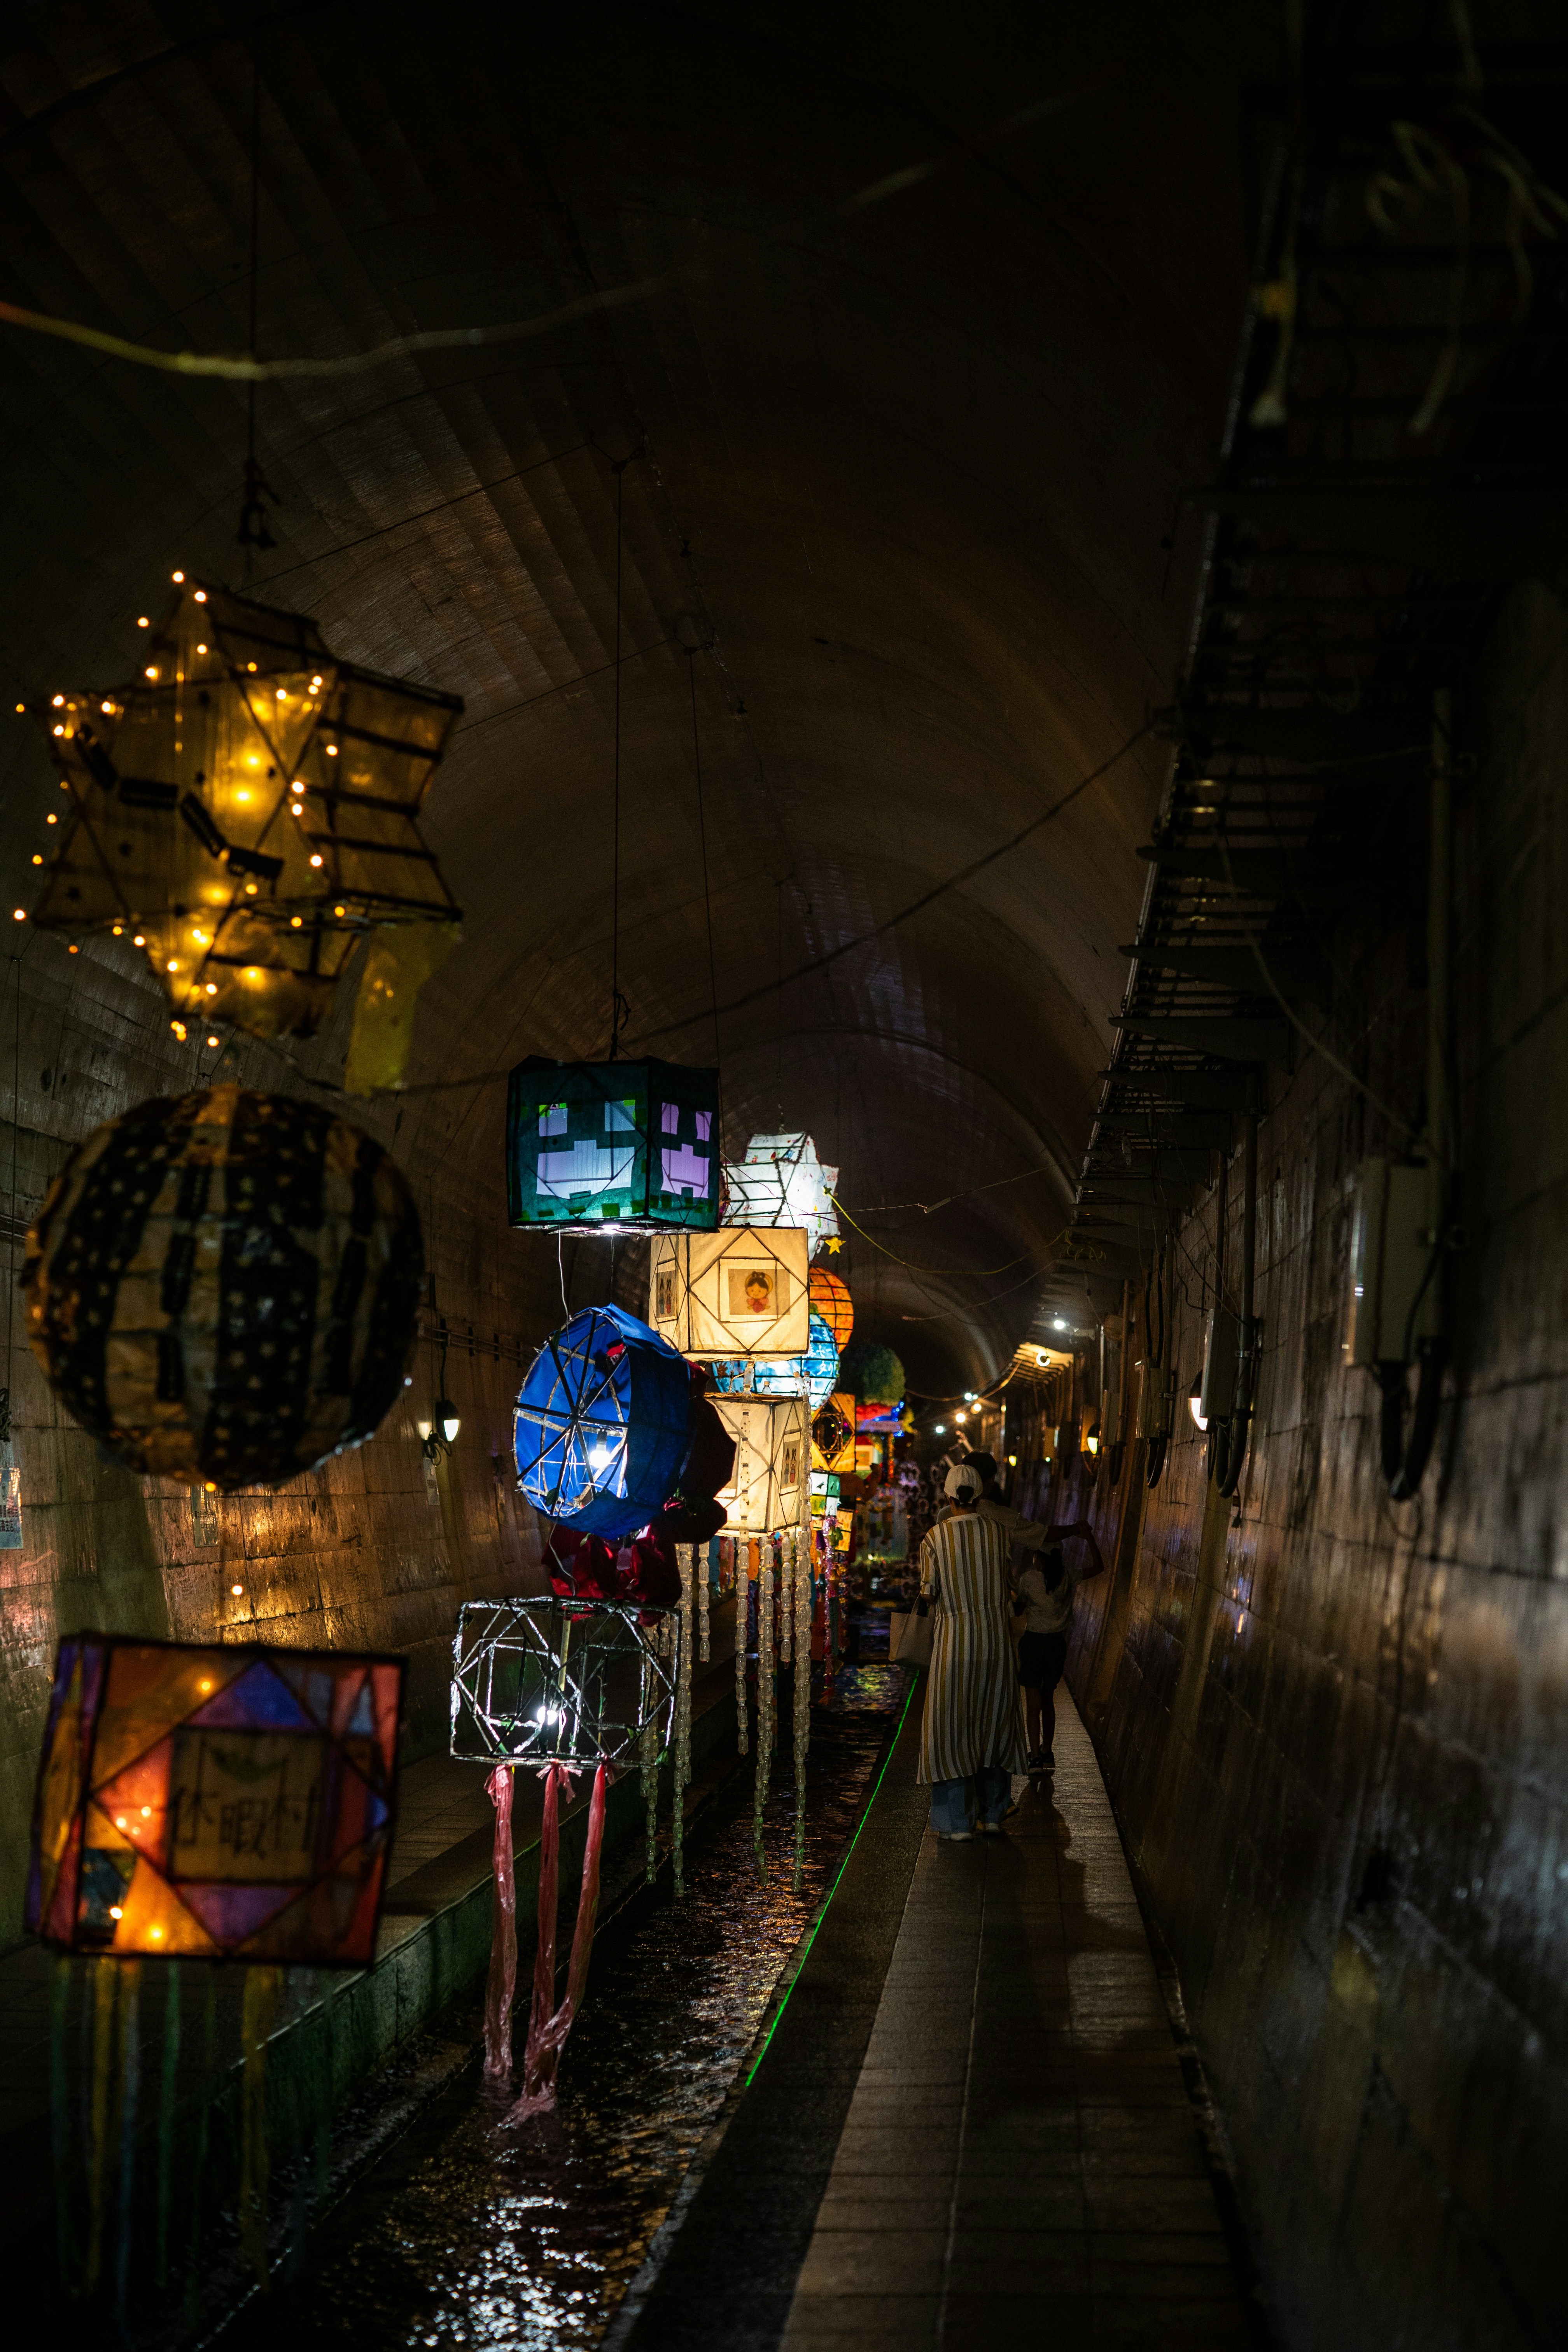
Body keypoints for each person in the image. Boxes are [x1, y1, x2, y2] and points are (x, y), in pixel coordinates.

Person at [916, 1461, 1027, 1841]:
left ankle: (957, 1822)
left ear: (948, 1497)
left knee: (952, 1729)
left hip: (954, 1647)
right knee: (995, 1724)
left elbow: (928, 1595)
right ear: (980, 1496)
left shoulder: (934, 1539)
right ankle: (994, 1814)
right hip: (996, 1645)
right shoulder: (999, 1533)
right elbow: (1008, 1583)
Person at [1015, 1522, 1106, 1770]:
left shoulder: (1028, 1580)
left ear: (1039, 1557)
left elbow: (1018, 1610)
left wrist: (1011, 1594)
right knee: (1048, 1700)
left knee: (1033, 1704)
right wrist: (1089, 1539)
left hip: (1034, 1644)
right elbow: (1099, 1567)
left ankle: (1034, 1757)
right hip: (1057, 1645)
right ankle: (1047, 1751)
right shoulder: (1068, 1576)